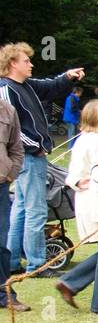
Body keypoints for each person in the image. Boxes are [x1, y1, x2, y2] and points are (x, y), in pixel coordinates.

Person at [0, 42, 85, 275]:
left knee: (21, 210)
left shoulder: (26, 85)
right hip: (27, 157)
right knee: (36, 210)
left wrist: (68, 77)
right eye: (26, 60)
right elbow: (10, 131)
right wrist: (36, 146)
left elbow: (51, 87)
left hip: (30, 156)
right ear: (12, 64)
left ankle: (12, 262)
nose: (31, 64)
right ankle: (38, 264)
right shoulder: (6, 90)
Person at [54, 100, 98, 314]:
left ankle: (71, 283)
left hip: (87, 199)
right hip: (97, 202)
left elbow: (72, 176)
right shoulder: (97, 143)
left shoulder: (82, 140)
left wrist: (76, 183)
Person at [0, 94, 30, 311]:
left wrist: (10, 173)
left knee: (1, 243)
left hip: (1, 184)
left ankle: (5, 295)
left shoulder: (7, 110)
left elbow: (16, 148)